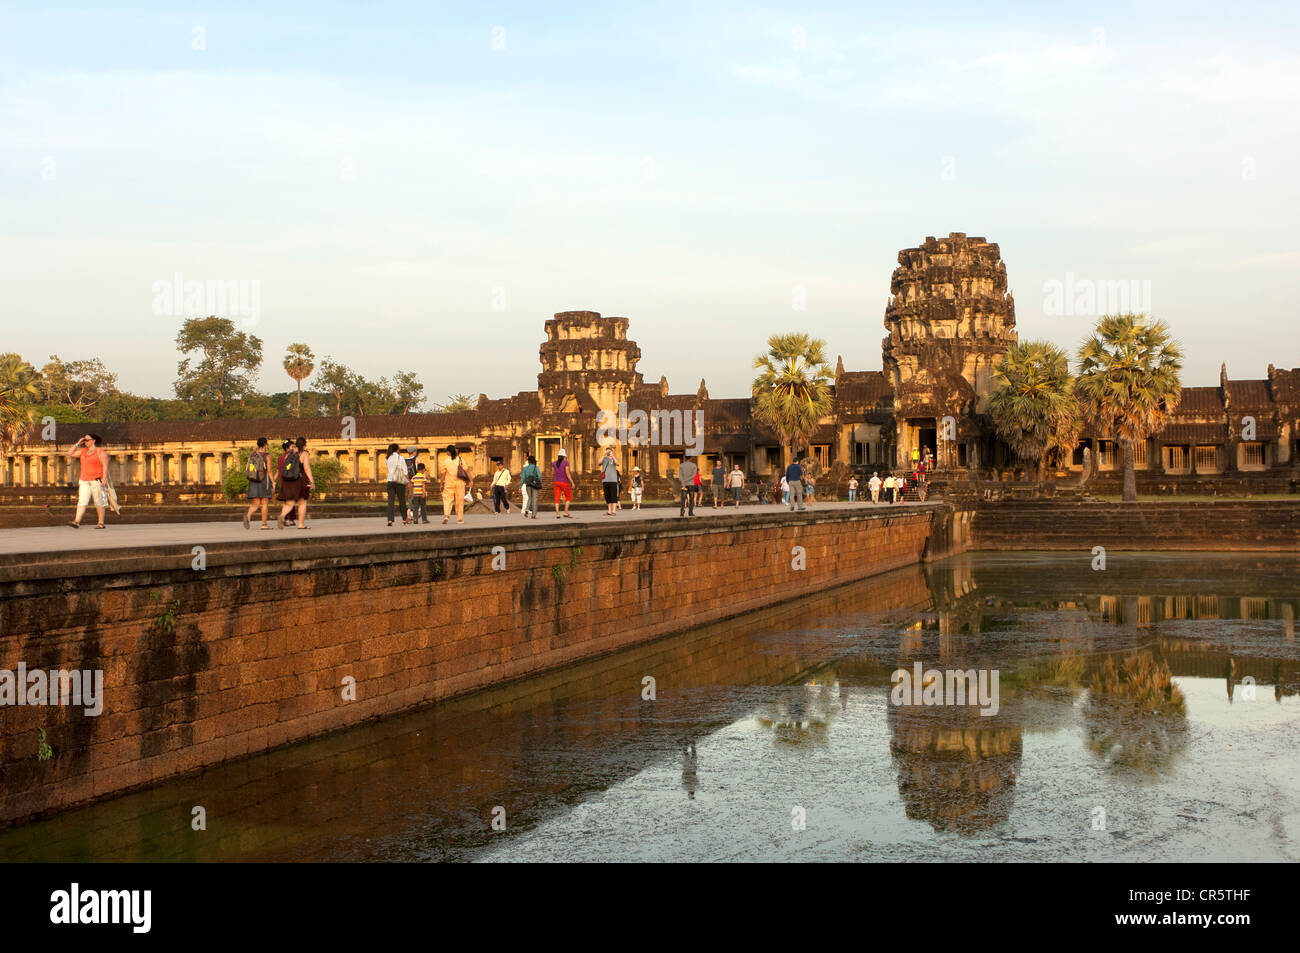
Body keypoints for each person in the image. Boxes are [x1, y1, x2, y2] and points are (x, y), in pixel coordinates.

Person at [66, 432, 109, 528]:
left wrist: (104, 479)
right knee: (82, 500)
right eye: (84, 440)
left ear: (93, 441)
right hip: (84, 479)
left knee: (98, 501)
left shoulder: (100, 451)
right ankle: (76, 521)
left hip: (96, 479)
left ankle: (101, 523)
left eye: (87, 440)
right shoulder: (83, 451)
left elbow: (105, 466)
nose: (85, 442)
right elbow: (70, 453)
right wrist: (78, 443)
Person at [277, 436, 314, 529]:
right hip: (299, 480)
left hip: (288, 480)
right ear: (305, 444)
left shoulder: (290, 453)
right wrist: (312, 481)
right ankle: (301, 525)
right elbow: (306, 468)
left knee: (290, 502)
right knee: (302, 502)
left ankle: (281, 516)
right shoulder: (304, 454)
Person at [243, 437, 274, 529]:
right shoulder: (267, 456)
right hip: (263, 481)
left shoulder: (252, 454)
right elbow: (269, 471)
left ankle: (248, 516)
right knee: (264, 503)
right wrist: (273, 482)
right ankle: (264, 525)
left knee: (256, 503)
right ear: (265, 444)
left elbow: (247, 468)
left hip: (253, 480)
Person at [440, 445, 470, 524]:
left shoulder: (446, 461)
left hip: (449, 483)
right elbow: (467, 471)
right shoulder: (460, 459)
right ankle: (459, 519)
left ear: (449, 452)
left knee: (447, 500)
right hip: (460, 483)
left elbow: (443, 474)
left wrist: (441, 484)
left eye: (447, 451)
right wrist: (471, 480)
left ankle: (446, 515)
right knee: (460, 501)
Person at [384, 443, 409, 526]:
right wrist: (408, 481)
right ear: (397, 449)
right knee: (402, 500)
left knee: (390, 501)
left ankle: (390, 520)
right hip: (399, 481)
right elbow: (405, 471)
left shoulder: (387, 458)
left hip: (390, 480)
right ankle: (404, 519)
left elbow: (389, 468)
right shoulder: (400, 458)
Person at [551, 448, 574, 519]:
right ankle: (565, 512)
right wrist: (572, 482)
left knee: (557, 498)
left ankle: (557, 514)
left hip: (556, 482)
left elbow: (552, 473)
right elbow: (567, 473)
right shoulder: (565, 463)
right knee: (568, 497)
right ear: (564, 456)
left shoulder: (554, 463)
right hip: (564, 482)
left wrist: (554, 479)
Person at [600, 446, 620, 516]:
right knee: (607, 495)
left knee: (613, 495)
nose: (608, 452)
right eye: (607, 451)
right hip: (605, 480)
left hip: (613, 480)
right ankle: (609, 511)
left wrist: (612, 456)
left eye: (609, 451)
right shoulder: (604, 458)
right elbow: (599, 462)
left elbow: (617, 463)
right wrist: (604, 454)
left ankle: (614, 510)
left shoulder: (614, 459)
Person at [520, 454, 542, 518]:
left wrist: (520, 486)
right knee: (534, 499)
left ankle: (526, 509)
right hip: (534, 485)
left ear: (528, 461)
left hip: (528, 485)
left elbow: (523, 478)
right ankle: (533, 515)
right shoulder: (536, 467)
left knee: (529, 498)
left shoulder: (525, 468)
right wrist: (538, 482)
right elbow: (540, 476)